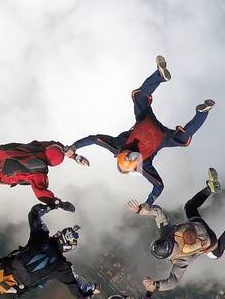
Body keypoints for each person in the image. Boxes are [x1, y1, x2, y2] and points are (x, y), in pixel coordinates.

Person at [66, 56, 215, 206]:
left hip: (161, 137)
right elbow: (93, 139)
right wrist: (74, 147)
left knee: (183, 140)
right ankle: (159, 75)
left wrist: (148, 203)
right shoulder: (118, 146)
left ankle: (202, 112)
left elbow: (159, 186)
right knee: (138, 96)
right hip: (145, 121)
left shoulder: (143, 165)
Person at [133, 168, 225, 292]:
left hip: (210, 240)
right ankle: (210, 189)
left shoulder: (180, 260)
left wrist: (156, 285)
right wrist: (142, 209)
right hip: (198, 224)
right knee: (190, 207)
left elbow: (172, 282)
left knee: (217, 254)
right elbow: (158, 212)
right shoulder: (166, 233)